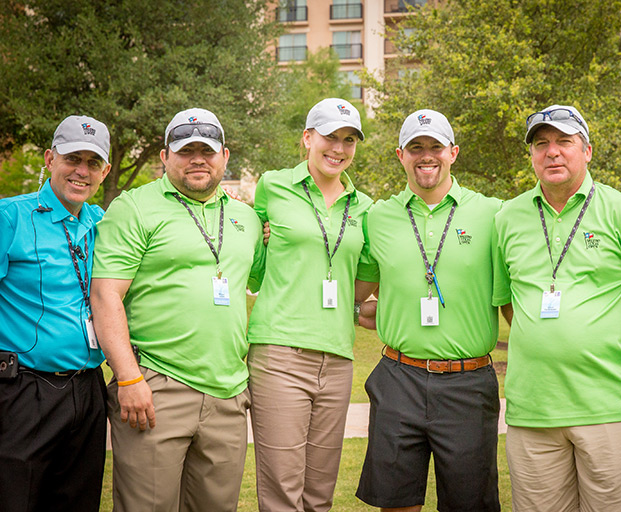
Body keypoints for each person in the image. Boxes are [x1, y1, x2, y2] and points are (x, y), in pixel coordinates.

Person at [493, 105, 621, 511]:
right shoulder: (508, 216)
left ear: (586, 150)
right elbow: (508, 301)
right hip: (531, 409)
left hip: (604, 405)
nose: (552, 152)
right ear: (532, 155)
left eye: (564, 142)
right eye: (541, 144)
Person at [90, 108, 265, 511]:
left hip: (228, 391)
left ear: (224, 155)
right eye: (186, 151)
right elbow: (105, 295)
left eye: (206, 150)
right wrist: (129, 378)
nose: (197, 159)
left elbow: (262, 280)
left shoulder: (247, 218)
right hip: (156, 386)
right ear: (165, 157)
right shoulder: (134, 208)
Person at [355, 109, 503, 512]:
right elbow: (357, 285)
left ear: (453, 152)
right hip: (398, 378)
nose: (426, 156)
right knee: (396, 503)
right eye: (416, 148)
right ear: (400, 154)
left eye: (435, 147)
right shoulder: (377, 216)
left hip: (468, 384)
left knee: (469, 504)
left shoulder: (493, 213)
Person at [246, 98, 372, 512]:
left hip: (337, 359)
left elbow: (365, 279)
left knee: (320, 494)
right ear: (307, 138)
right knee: (283, 490)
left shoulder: (364, 207)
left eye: (348, 139)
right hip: (279, 353)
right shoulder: (273, 184)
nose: (339, 147)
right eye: (330, 137)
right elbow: (254, 267)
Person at [0, 115, 111, 512]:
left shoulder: (104, 224)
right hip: (24, 391)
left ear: (105, 171)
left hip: (89, 389)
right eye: (72, 159)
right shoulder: (9, 216)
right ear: (50, 159)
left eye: (93, 162)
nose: (81, 171)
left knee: (79, 502)